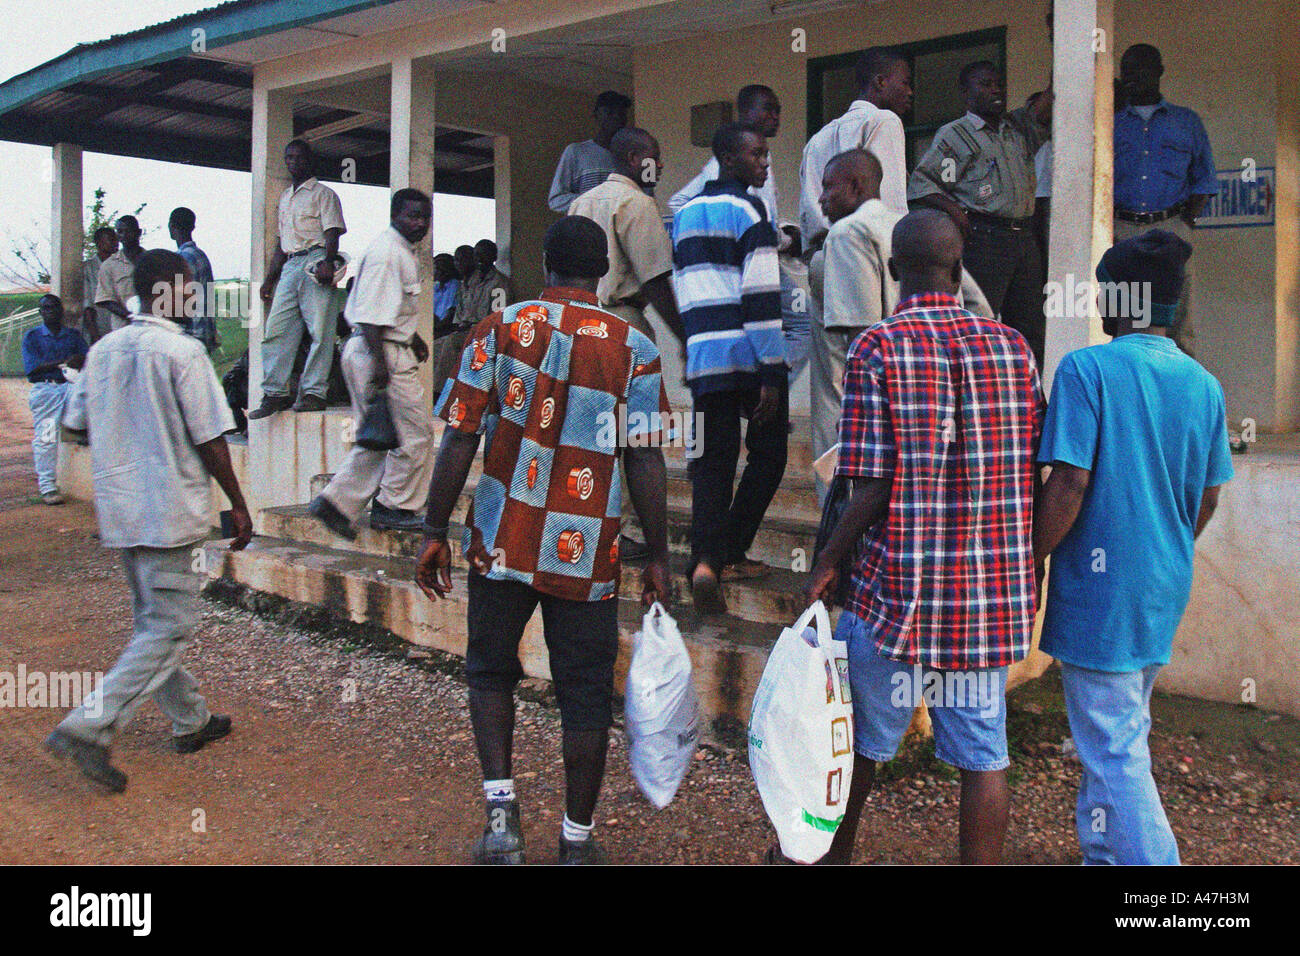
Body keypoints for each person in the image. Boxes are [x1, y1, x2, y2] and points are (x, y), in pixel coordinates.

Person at [415, 216, 673, 865]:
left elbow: (458, 437)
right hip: (586, 555)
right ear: (604, 271)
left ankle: (501, 825)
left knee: (489, 672)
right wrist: (662, 554)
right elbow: (645, 458)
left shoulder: (496, 331)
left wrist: (431, 530)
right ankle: (576, 842)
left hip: (502, 537)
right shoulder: (634, 347)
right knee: (585, 694)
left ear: (544, 263)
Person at [806, 209, 1044, 865]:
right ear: (959, 267)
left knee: (858, 742)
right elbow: (1033, 463)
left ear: (891, 270)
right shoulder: (1012, 347)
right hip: (984, 598)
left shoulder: (877, 346)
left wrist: (827, 560)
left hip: (896, 592)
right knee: (982, 756)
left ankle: (832, 858)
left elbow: (868, 481)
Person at [1033, 230, 1232, 865]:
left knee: (1113, 748)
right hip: (1162, 584)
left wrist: (1027, 554)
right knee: (1118, 733)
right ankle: (1105, 857)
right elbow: (1208, 498)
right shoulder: (1204, 385)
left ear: (1122, 298)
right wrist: (1164, 545)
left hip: (1102, 593)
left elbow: (1069, 481)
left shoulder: (1088, 370)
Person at [44, 248, 253, 793]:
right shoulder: (183, 353)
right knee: (169, 628)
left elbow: (74, 429)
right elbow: (211, 437)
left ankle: (192, 720)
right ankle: (88, 726)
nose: (193, 295)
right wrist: (239, 502)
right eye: (187, 286)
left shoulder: (104, 350)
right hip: (170, 513)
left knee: (153, 624)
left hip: (121, 510)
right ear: (166, 290)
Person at [808, 149, 992, 497]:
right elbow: (977, 306)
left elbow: (859, 339)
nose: (821, 198)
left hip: (863, 406)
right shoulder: (914, 228)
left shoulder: (848, 232)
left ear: (855, 185)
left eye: (829, 187)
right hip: (931, 396)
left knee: (853, 510)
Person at [672, 121, 787, 610]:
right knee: (769, 454)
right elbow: (760, 295)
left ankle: (704, 562)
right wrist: (773, 372)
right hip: (747, 353)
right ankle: (731, 550)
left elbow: (685, 286)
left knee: (713, 464)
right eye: (757, 155)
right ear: (728, 158)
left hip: (705, 356)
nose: (765, 162)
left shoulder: (683, 214)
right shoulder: (748, 209)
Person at [308, 189, 436, 537]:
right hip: (379, 352)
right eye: (412, 215)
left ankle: (335, 504)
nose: (420, 223)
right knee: (415, 436)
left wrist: (413, 337)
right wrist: (382, 364)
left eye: (425, 216)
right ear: (395, 215)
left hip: (381, 347)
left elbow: (385, 309)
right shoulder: (387, 253)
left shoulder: (397, 251)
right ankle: (394, 508)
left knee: (381, 437)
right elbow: (368, 317)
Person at [909, 61, 1053, 368]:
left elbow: (1050, 103)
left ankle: (1027, 401)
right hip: (985, 238)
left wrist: (1061, 40)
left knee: (1030, 328)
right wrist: (954, 211)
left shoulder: (1017, 129)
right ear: (966, 92)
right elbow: (923, 183)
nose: (995, 90)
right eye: (985, 84)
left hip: (1025, 238)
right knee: (979, 323)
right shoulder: (955, 135)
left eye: (998, 84)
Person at [1112, 43, 1217, 357]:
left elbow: (1205, 179)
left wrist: (1184, 223)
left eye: (1140, 68)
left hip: (1171, 228)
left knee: (1177, 320)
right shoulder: (1111, 122)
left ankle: (1182, 400)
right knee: (1128, 322)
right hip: (1123, 229)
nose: (1132, 76)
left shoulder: (1186, 122)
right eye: (1126, 69)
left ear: (1159, 71)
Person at [249, 138, 347, 418]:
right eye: (289, 157)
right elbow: (282, 243)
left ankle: (315, 392)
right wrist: (270, 278)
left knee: (320, 330)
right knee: (276, 329)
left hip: (316, 259)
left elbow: (332, 232)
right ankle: (275, 393)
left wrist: (328, 261)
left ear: (310, 160)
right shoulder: (285, 197)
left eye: (298, 157)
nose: (293, 162)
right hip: (291, 265)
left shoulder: (323, 194)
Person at [800, 47, 913, 249]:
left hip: (822, 255)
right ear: (880, 82)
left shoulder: (816, 140)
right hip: (867, 249)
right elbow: (890, 205)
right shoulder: (884, 120)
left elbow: (809, 212)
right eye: (905, 83)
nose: (910, 92)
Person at [669, 85, 784, 227]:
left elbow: (768, 215)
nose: (775, 116)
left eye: (777, 111)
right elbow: (678, 202)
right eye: (768, 109)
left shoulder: (764, 159)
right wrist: (706, 235)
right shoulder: (723, 164)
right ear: (746, 111)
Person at [21, 294, 87, 505]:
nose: (51, 311)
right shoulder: (33, 337)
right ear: (41, 312)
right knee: (47, 436)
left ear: (61, 311)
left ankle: (81, 434)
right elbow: (32, 369)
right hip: (47, 390)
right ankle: (48, 486)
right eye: (46, 308)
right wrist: (64, 362)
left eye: (54, 308)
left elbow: (87, 357)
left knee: (92, 411)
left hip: (71, 387)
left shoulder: (73, 336)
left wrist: (78, 360)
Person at [548, 90, 632, 212]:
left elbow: (646, 196)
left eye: (621, 113)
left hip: (623, 228)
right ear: (597, 115)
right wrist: (597, 202)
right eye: (610, 112)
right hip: (586, 228)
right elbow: (556, 200)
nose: (616, 118)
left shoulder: (632, 156)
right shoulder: (576, 152)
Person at [168, 206, 217, 350]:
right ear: (193, 227)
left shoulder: (181, 259)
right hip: (204, 331)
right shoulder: (200, 255)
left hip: (190, 334)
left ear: (171, 227)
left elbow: (179, 302)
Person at [93, 215, 144, 332]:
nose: (124, 235)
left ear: (138, 232)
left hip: (150, 328)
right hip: (122, 329)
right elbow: (106, 300)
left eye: (129, 231)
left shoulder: (151, 260)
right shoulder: (109, 265)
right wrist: (131, 316)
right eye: (120, 232)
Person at [82, 226, 118, 341]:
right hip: (100, 330)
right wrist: (94, 334)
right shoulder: (88, 268)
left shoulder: (121, 266)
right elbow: (87, 305)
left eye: (116, 239)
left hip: (119, 329)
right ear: (99, 243)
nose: (116, 243)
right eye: (111, 240)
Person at [432, 252, 460, 337]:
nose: (435, 271)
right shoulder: (436, 287)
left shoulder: (454, 285)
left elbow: (450, 314)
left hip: (443, 330)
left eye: (438, 268)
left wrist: (435, 329)